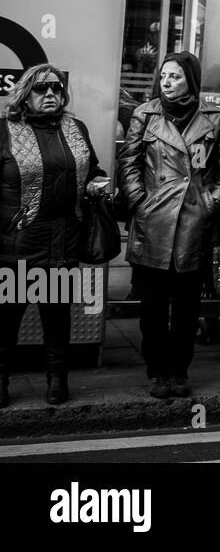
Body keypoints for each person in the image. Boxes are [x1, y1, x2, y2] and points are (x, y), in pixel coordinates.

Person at [117, 52, 220, 399]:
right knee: (152, 307)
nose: (166, 83)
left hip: (194, 222)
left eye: (175, 77)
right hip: (153, 223)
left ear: (191, 80)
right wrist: (140, 201)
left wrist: (210, 204)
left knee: (186, 308)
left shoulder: (214, 118)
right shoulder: (144, 113)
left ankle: (179, 370)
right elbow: (128, 162)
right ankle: (156, 371)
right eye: (163, 76)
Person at [0, 64, 108, 408]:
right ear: (24, 94)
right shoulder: (5, 131)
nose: (50, 95)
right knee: (7, 318)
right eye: (41, 89)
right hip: (18, 245)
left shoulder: (75, 129)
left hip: (62, 242)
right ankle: (1, 380)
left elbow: (94, 170)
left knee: (56, 316)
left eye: (57, 89)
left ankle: (56, 379)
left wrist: (96, 185)